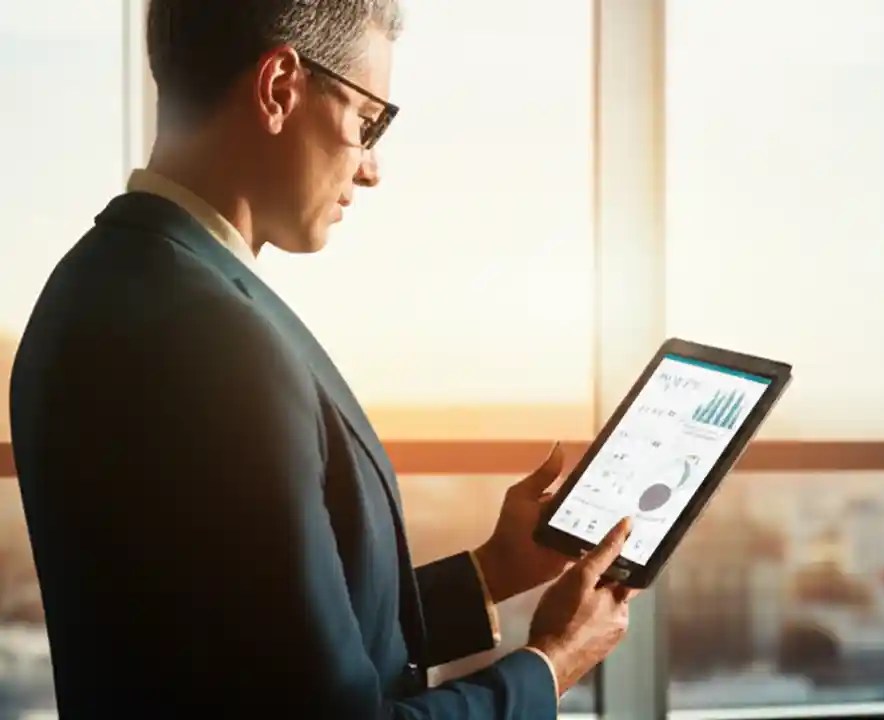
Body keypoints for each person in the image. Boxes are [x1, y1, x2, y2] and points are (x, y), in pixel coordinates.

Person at [7, 1, 636, 717]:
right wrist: (551, 663)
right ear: (280, 87)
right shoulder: (216, 339)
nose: (371, 169)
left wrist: (492, 572)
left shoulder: (94, 284)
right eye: (368, 122)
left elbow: (253, 647)